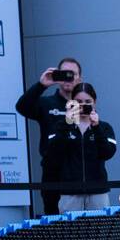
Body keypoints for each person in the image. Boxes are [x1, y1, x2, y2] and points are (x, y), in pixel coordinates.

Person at [16, 58, 83, 215]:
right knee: (55, 224)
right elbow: (22, 107)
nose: (68, 78)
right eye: (64, 73)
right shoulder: (47, 103)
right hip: (53, 174)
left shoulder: (84, 104)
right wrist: (41, 85)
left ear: (79, 78)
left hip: (79, 172)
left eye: (72, 74)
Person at [46, 83, 117, 212]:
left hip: (97, 192)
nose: (83, 105)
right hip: (70, 192)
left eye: (87, 101)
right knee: (71, 230)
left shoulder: (104, 127)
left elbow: (107, 153)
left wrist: (96, 128)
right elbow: (52, 153)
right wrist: (67, 124)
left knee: (98, 229)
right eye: (79, 101)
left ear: (94, 102)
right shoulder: (61, 126)